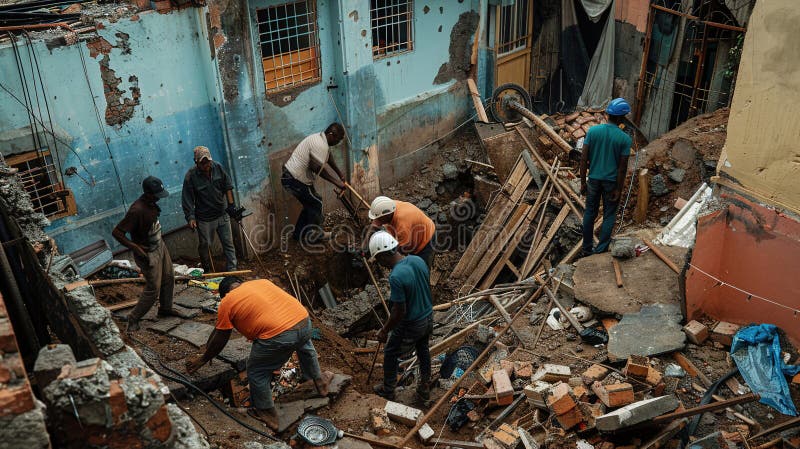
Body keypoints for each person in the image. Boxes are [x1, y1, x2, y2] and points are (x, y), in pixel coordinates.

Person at [186, 277, 327, 431]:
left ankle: (266, 412)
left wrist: (203, 359)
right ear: (240, 284)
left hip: (279, 337)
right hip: (304, 323)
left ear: (224, 294)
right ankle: (319, 382)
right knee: (304, 346)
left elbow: (222, 336)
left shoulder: (227, 301)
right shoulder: (261, 283)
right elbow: (219, 328)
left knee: (256, 370)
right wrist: (208, 349)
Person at [369, 231, 433, 403]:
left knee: (390, 351)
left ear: (383, 256)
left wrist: (384, 330)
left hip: (412, 323)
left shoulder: (396, 276)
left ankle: (388, 389)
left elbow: (399, 312)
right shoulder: (418, 260)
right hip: (428, 317)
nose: (381, 264)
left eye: (379, 260)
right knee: (423, 348)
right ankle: (424, 386)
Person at [112, 176, 177, 332]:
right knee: (153, 288)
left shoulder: (151, 203)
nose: (158, 198)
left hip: (159, 245)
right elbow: (117, 232)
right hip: (147, 252)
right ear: (148, 193)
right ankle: (133, 318)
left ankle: (165, 308)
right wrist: (135, 248)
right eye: (156, 194)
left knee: (169, 277)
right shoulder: (137, 210)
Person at [579, 98, 633, 256]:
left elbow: (583, 159)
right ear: (622, 118)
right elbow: (622, 168)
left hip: (593, 180)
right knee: (609, 214)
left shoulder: (593, 132)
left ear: (608, 114)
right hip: (611, 182)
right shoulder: (625, 139)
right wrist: (618, 188)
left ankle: (586, 249)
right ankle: (601, 250)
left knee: (590, 212)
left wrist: (583, 182)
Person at [281, 123, 347, 244]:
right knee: (316, 202)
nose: (338, 143)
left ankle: (298, 235)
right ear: (331, 135)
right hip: (294, 179)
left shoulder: (321, 140)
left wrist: (339, 173)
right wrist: (336, 182)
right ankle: (316, 235)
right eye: (337, 140)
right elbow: (317, 168)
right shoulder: (319, 144)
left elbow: (328, 156)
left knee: (310, 204)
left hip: (294, 178)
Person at [181, 146, 238, 272]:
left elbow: (227, 186)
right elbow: (187, 199)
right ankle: (207, 270)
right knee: (205, 246)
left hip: (222, 214)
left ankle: (233, 270)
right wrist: (190, 217)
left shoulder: (218, 168)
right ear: (196, 162)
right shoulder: (191, 176)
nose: (207, 165)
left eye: (208, 161)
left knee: (228, 244)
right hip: (205, 219)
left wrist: (231, 205)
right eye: (203, 163)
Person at [363, 196, 436, 269]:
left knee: (422, 269)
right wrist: (364, 249)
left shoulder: (402, 223)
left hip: (427, 239)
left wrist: (380, 257)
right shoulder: (388, 207)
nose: (377, 220)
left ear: (386, 216)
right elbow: (374, 226)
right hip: (413, 234)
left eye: (378, 218)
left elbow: (399, 252)